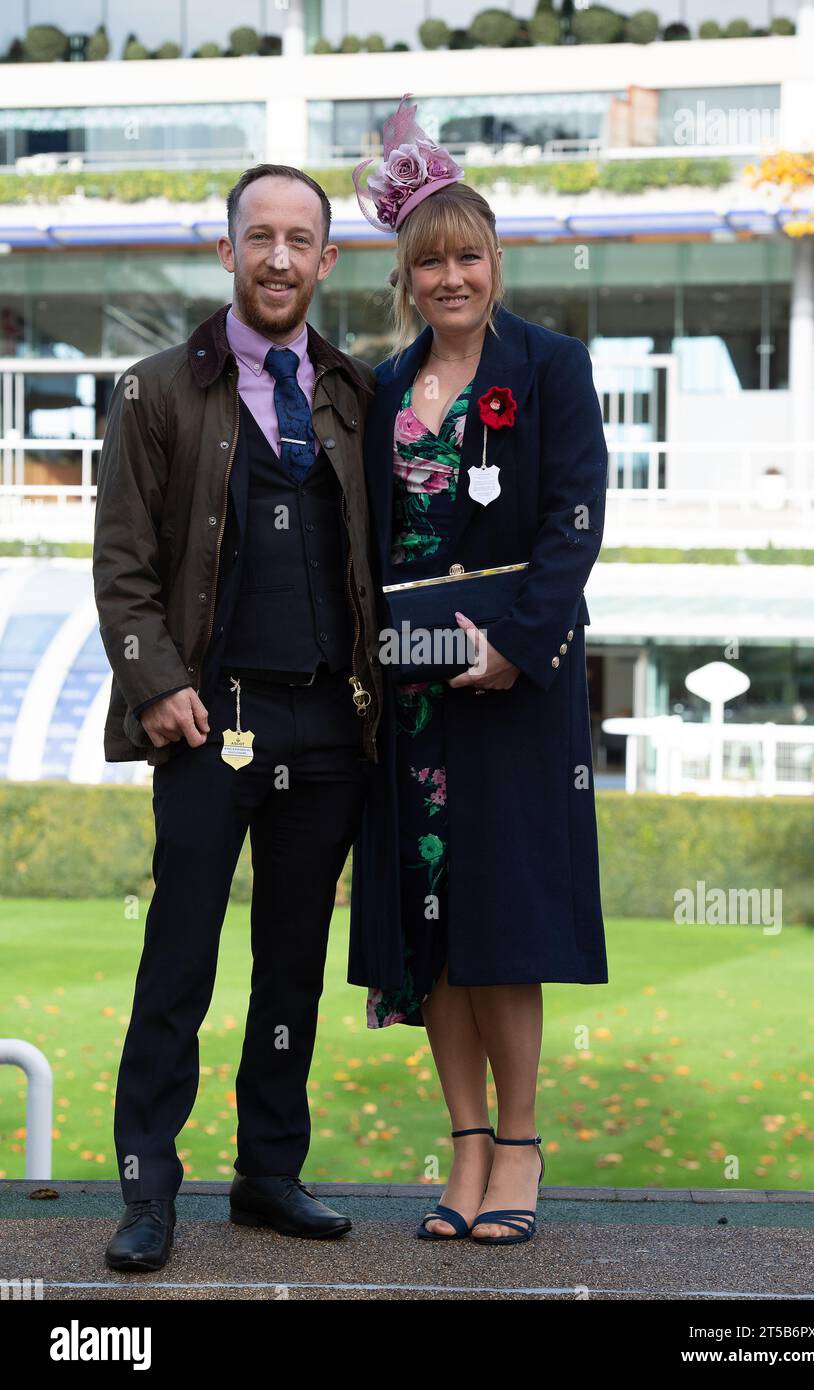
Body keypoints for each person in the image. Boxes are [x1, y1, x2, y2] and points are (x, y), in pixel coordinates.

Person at [92, 164, 383, 1271]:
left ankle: (267, 1172)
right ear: (226, 252)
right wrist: (158, 682)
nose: (276, 258)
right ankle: (146, 1187)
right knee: (178, 960)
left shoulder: (351, 393)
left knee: (292, 965)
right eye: (257, 237)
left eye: (297, 240)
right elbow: (121, 567)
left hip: (325, 726)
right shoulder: (154, 388)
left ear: (324, 260)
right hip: (208, 720)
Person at [348, 97, 609, 1245]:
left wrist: (516, 647)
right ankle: (459, 1151)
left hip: (515, 686)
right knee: (431, 922)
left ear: (493, 259)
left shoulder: (551, 367)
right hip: (409, 689)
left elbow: (574, 523)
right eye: (428, 262)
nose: (449, 277)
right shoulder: (375, 390)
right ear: (404, 276)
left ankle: (520, 1150)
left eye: (465, 256)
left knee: (504, 920)